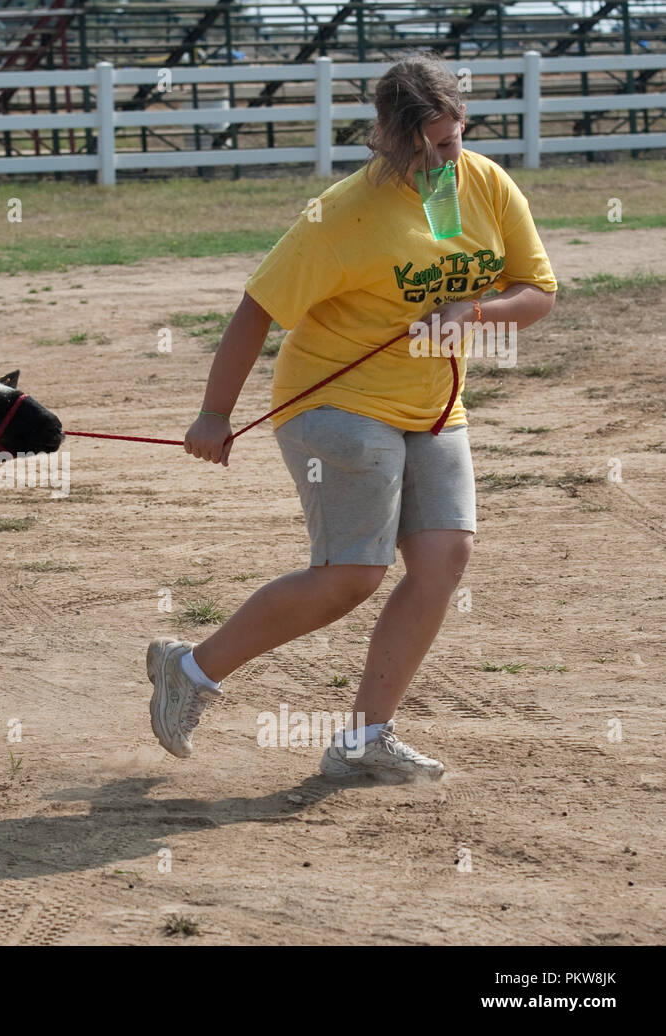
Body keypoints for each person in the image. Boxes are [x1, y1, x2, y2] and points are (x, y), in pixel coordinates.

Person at [147, 52, 557, 781]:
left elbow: (538, 292)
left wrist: (478, 311)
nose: (439, 158)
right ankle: (191, 671)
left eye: (450, 141)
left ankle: (365, 741)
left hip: (432, 405)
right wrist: (214, 413)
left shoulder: (487, 184)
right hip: (332, 406)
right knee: (353, 575)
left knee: (443, 558)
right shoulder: (338, 215)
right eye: (424, 145)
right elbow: (257, 310)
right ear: (386, 136)